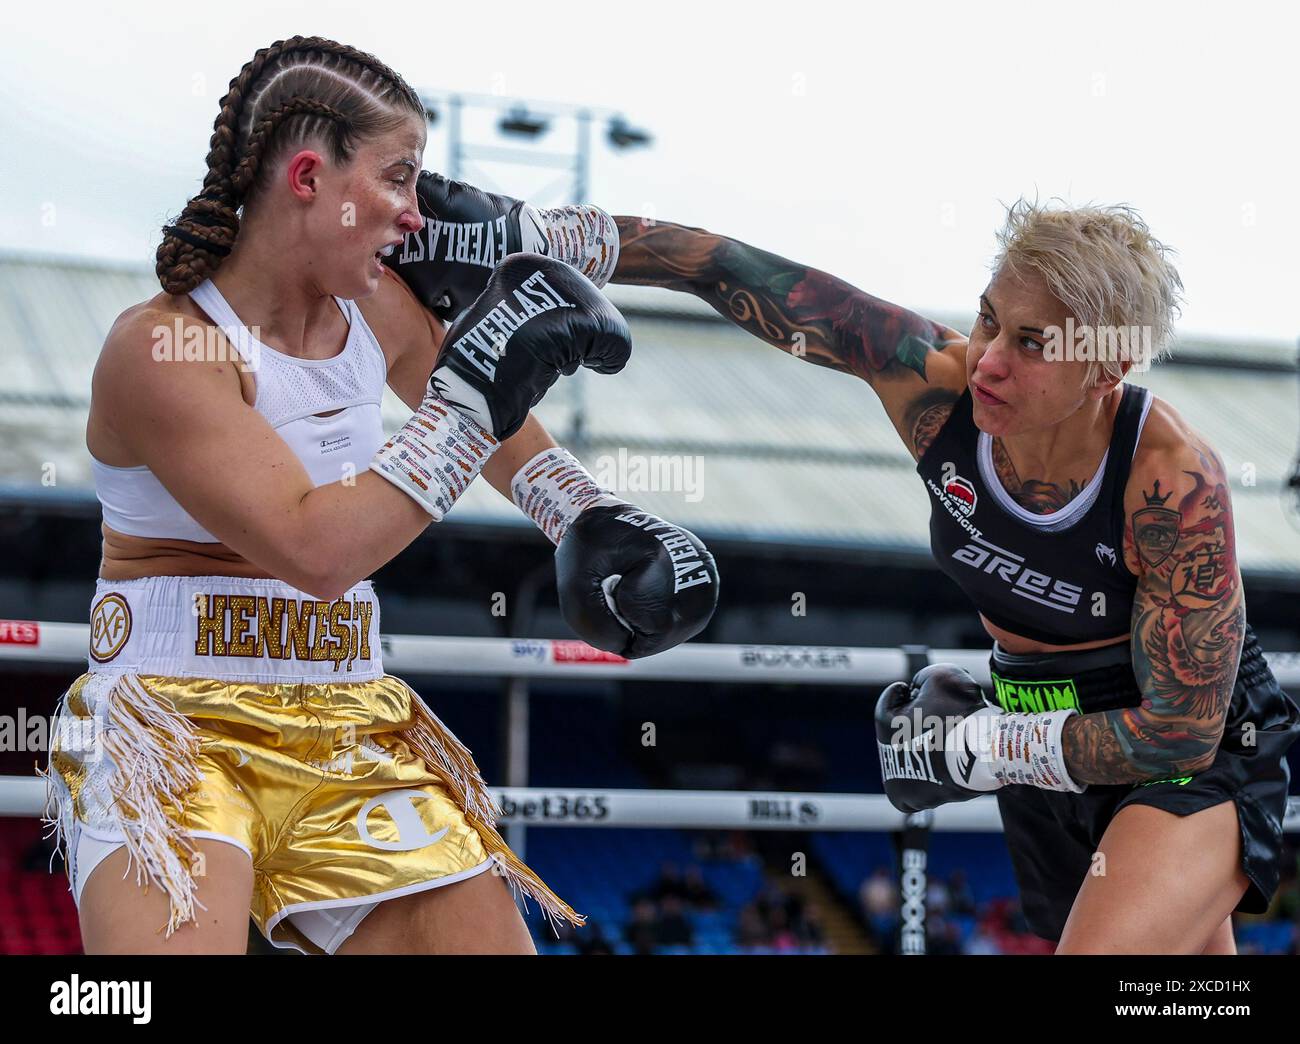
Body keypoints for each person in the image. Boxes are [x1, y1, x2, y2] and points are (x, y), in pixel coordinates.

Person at [384, 178, 1298, 953]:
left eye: (1030, 344)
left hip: (1185, 753)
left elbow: (1179, 733)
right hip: (1037, 724)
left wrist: (985, 747)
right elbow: (731, 270)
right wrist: (551, 234)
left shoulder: (1168, 483)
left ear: (1106, 368)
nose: (988, 359)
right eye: (989, 317)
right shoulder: (936, 388)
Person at [42, 36, 717, 956]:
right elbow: (316, 550)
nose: (414, 212)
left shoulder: (376, 309)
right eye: (398, 178)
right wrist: (473, 395)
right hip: (170, 716)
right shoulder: (163, 347)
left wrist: (586, 514)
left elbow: (493, 419)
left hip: (345, 709)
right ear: (310, 178)